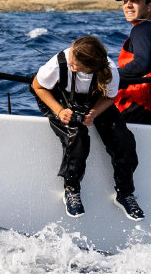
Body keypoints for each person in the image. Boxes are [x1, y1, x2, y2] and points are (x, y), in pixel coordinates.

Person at [30, 35, 143, 220]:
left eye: (75, 64)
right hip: (57, 98)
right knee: (78, 136)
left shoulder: (109, 71)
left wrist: (94, 113)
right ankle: (71, 189)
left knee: (124, 141)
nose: (70, 63)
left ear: (90, 67)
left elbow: (109, 97)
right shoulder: (59, 64)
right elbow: (37, 86)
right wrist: (60, 111)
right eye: (71, 59)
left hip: (94, 101)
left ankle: (125, 193)